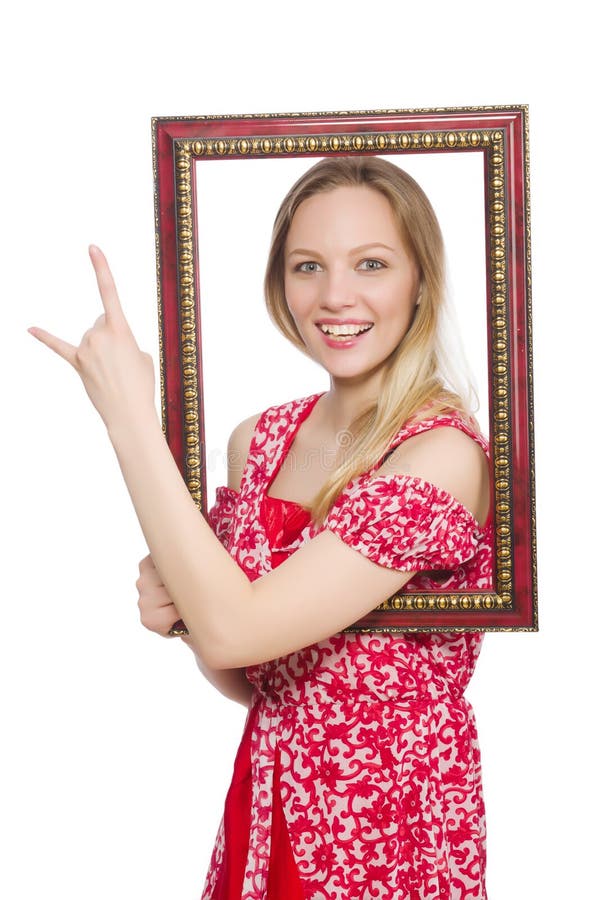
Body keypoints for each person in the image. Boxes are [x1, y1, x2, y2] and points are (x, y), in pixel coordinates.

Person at [29, 156, 492, 899]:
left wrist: (127, 418)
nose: (335, 296)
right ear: (281, 282)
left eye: (370, 264)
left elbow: (236, 630)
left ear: (421, 282)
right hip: (267, 799)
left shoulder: (440, 453)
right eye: (308, 266)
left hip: (383, 828)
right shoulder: (262, 440)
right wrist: (183, 608)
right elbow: (255, 672)